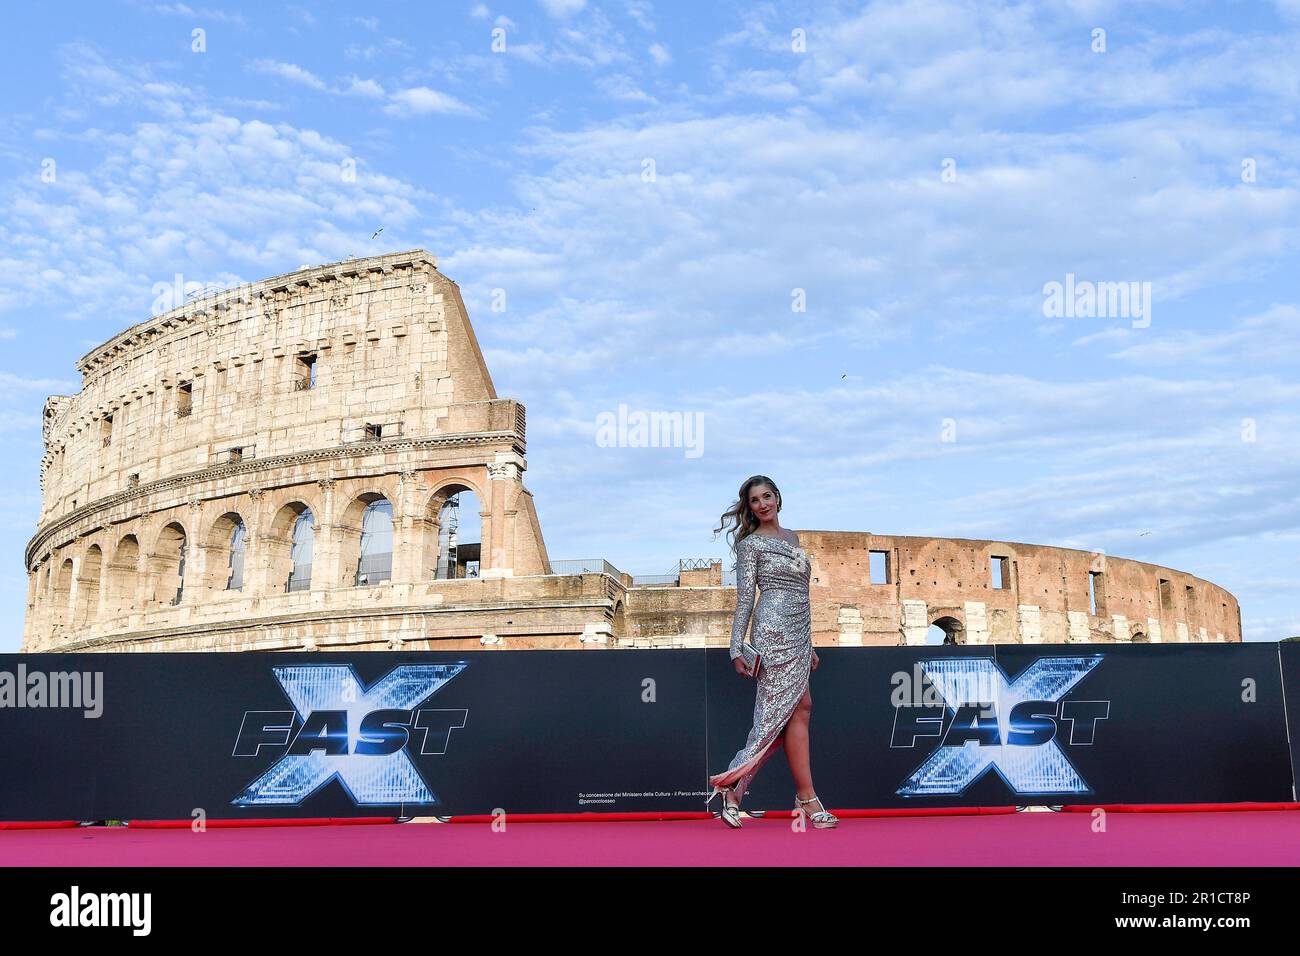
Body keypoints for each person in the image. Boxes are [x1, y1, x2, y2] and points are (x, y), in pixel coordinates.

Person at [704, 475, 838, 829]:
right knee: (773, 716)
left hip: (798, 630)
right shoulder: (751, 545)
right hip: (771, 630)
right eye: (754, 501)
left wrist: (808, 644)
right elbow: (746, 598)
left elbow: (802, 595)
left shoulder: (793, 539)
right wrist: (737, 645)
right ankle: (769, 791)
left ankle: (748, 788)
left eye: (767, 496)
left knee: (799, 708)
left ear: (778, 498)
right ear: (749, 508)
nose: (762, 504)